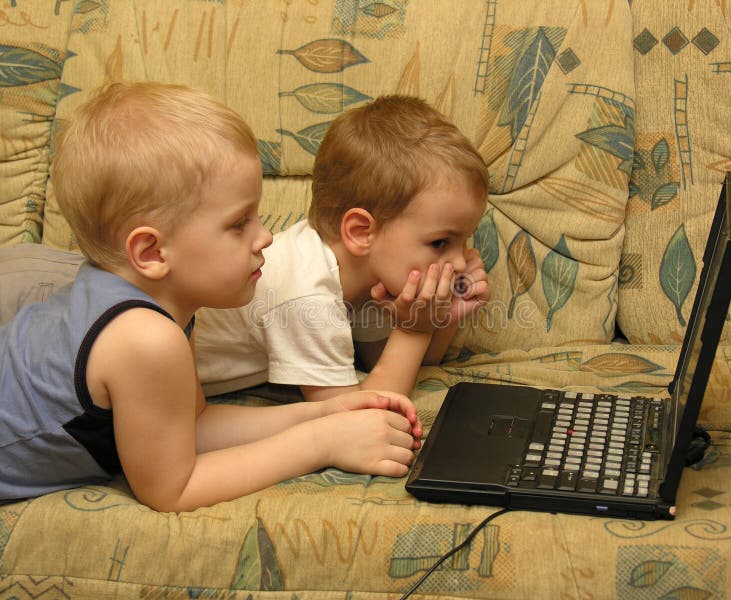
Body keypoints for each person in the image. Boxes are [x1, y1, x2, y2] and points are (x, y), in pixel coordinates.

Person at [0, 82, 422, 512]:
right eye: (240, 223)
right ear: (151, 252)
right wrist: (319, 442)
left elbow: (193, 425)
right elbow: (172, 489)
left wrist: (323, 414)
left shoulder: (160, 306)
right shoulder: (143, 338)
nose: (266, 236)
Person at [194, 95, 491, 402]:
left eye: (465, 239)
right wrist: (414, 331)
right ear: (362, 232)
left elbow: (388, 364)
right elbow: (358, 419)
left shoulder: (367, 274)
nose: (458, 262)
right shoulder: (306, 296)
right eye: (440, 242)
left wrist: (438, 317)